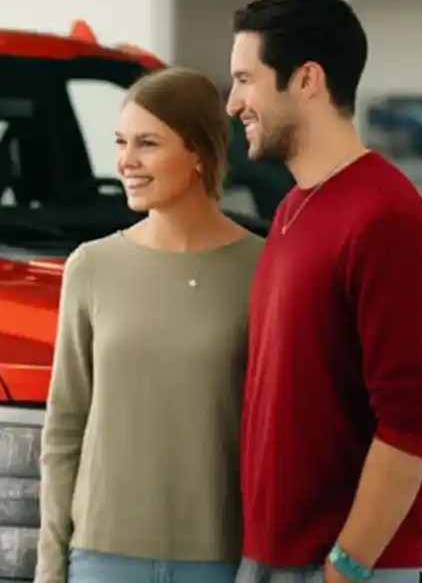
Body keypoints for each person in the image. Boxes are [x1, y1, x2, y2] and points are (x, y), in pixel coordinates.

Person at [226, 0, 422, 583]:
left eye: (246, 80)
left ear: (306, 80)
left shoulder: (386, 217)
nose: (233, 104)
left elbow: (413, 418)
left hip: (342, 565)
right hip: (275, 555)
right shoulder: (291, 210)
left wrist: (345, 567)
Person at [35, 67, 264, 583]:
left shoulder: (265, 269)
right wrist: (51, 568)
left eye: (147, 144)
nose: (126, 162)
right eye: (121, 142)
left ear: (200, 153)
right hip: (102, 557)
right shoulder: (92, 267)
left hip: (223, 560)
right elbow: (64, 429)